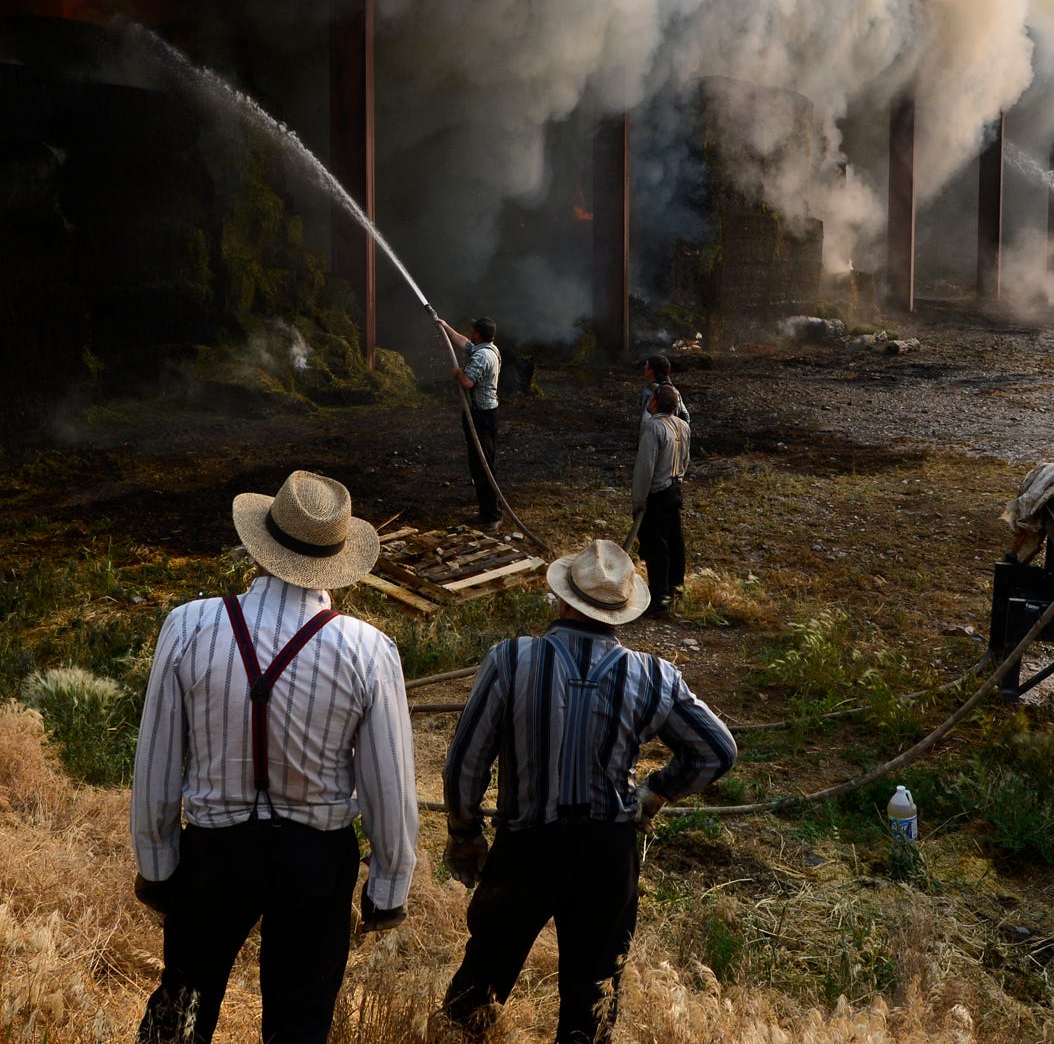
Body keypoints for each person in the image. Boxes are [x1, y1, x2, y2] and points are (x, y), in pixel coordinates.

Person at [130, 470, 419, 1044]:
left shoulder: (188, 626)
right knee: (299, 1025)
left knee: (181, 1017)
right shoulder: (369, 650)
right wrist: (388, 889)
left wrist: (158, 866)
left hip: (213, 857)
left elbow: (156, 761)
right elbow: (391, 783)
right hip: (315, 865)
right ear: (336, 562)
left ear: (260, 546)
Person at [439, 539, 737, 1044]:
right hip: (606, 852)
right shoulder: (652, 675)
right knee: (591, 1005)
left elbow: (465, 764)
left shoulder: (510, 660)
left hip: (526, 847)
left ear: (562, 598)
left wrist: (466, 837)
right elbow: (716, 749)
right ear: (620, 611)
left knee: (478, 991)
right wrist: (655, 793)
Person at [631, 385, 692, 617]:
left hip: (656, 494)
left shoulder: (652, 427)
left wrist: (638, 500)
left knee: (657, 547)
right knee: (675, 542)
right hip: (674, 490)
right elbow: (685, 459)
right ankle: (676, 590)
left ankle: (658, 600)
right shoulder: (683, 426)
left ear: (655, 403)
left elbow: (645, 468)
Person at [439, 316, 504, 524]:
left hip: (482, 417)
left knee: (483, 465)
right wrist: (444, 325)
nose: (471, 334)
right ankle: (489, 512)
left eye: (473, 331)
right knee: (480, 463)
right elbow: (463, 342)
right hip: (484, 414)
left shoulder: (483, 356)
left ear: (478, 333)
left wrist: (458, 373)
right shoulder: (488, 349)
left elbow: (467, 382)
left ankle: (491, 516)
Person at [636, 355, 690, 424]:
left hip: (654, 431)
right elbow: (686, 417)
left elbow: (646, 420)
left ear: (652, 370)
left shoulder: (652, 391)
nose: (644, 367)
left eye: (646, 365)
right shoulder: (673, 390)